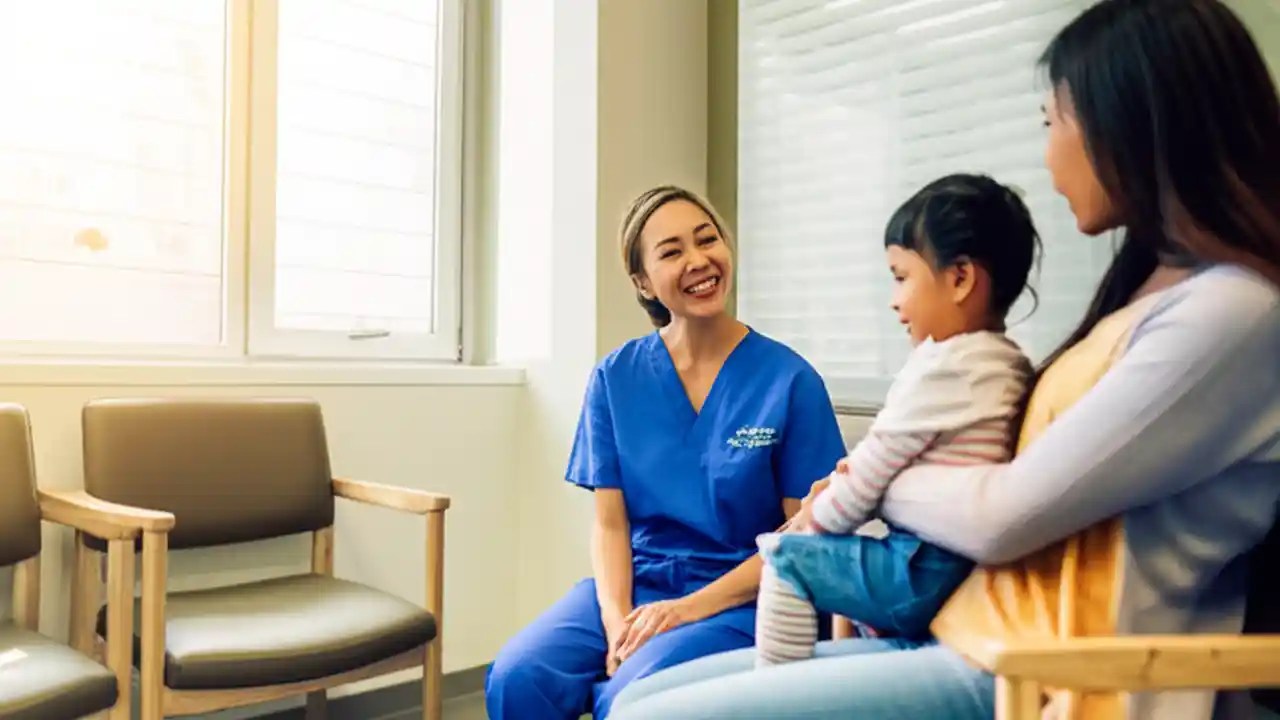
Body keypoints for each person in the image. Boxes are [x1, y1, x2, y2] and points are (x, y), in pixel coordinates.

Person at [610, 0, 1280, 718]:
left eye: (1055, 121)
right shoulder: (1153, 295)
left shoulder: (1229, 312)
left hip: (1048, 669)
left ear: (1132, 123)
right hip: (976, 630)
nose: (1048, 151)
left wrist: (881, 477)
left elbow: (1001, 514)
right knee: (642, 696)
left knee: (652, 715)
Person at [484, 185, 848, 719]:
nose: (699, 260)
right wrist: (615, 621)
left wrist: (684, 611)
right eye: (672, 251)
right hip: (640, 580)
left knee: (634, 693)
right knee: (520, 676)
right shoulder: (616, 377)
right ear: (643, 281)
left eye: (708, 240)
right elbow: (610, 525)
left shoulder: (789, 380)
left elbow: (804, 544)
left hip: (741, 595)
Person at [755, 173, 1038, 666]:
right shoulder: (1005, 362)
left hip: (923, 569)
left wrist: (811, 523)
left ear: (960, 279)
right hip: (955, 568)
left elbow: (874, 467)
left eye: (901, 277)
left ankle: (778, 693)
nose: (894, 300)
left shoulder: (947, 367)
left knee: (784, 561)